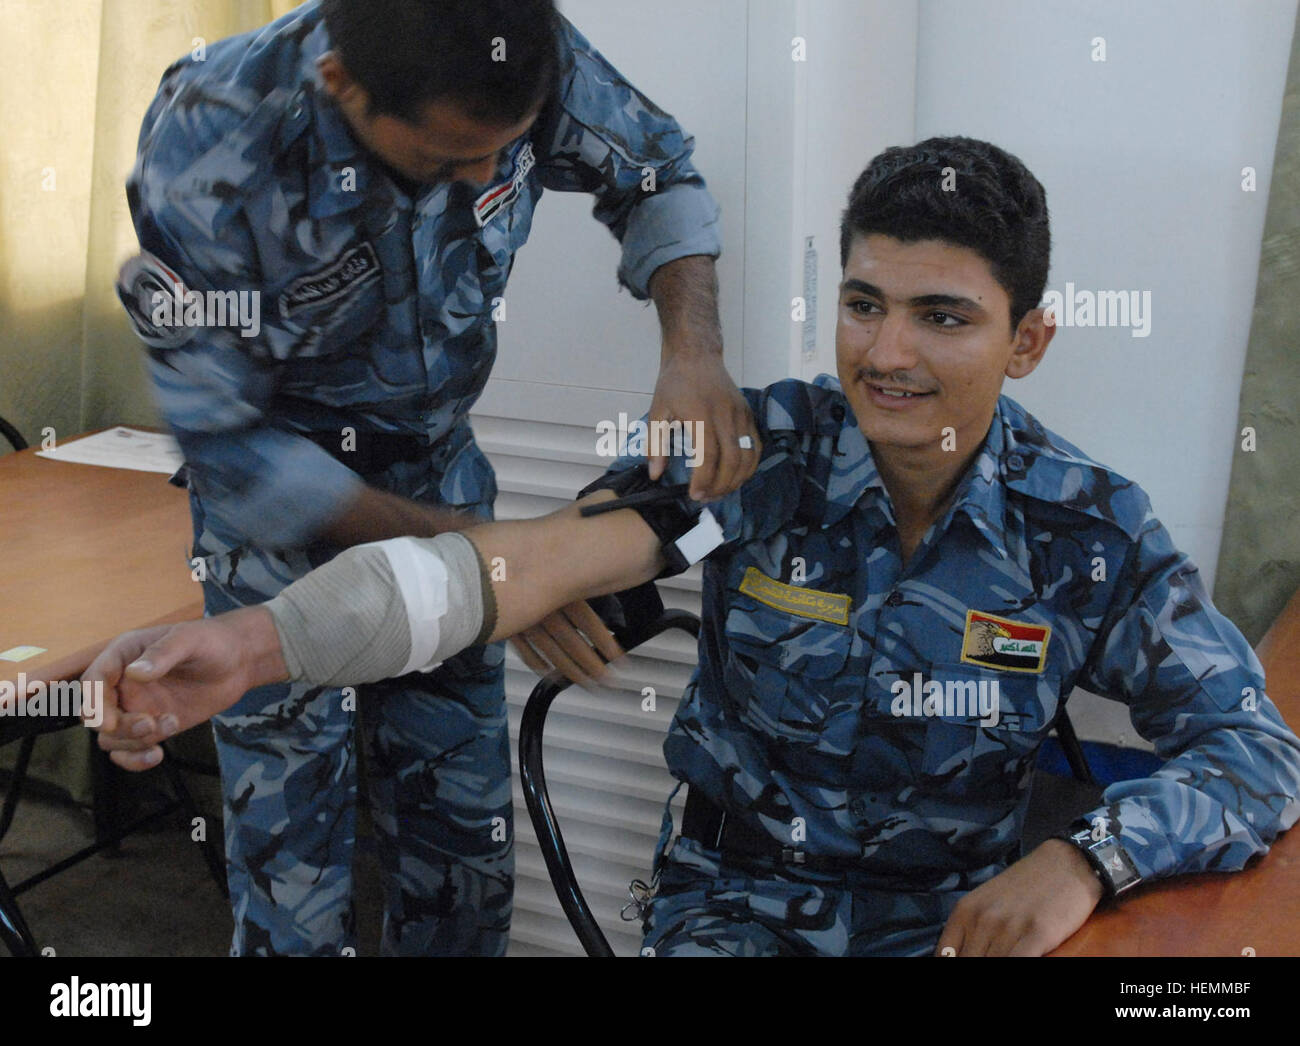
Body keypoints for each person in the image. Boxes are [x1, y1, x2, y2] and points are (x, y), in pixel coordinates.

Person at [86, 136, 1300, 956]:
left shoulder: (1084, 529)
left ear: (1026, 340)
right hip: (727, 906)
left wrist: (1084, 860)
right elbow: (526, 563)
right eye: (864, 302)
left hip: (935, 927)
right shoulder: (756, 449)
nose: (887, 354)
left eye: (944, 318)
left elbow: (1255, 750)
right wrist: (253, 643)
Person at [116, 0, 758, 956]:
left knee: (461, 846)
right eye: (453, 157)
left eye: (509, 149)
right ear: (343, 85)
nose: (491, 176)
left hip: (434, 461)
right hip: (276, 508)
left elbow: (655, 170)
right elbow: (231, 440)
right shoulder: (213, 141)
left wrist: (692, 350)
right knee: (296, 869)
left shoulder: (514, 49)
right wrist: (490, 567)